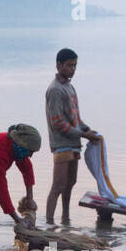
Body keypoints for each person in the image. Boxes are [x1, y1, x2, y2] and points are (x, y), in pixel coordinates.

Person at [45, 48, 100, 224]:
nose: (72, 69)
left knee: (70, 182)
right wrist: (84, 134)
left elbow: (75, 118)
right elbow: (58, 123)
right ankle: (49, 222)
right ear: (59, 65)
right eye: (69, 65)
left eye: (75, 65)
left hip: (74, 143)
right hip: (61, 144)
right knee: (58, 185)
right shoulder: (55, 90)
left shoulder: (69, 86)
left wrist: (88, 130)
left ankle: (65, 218)